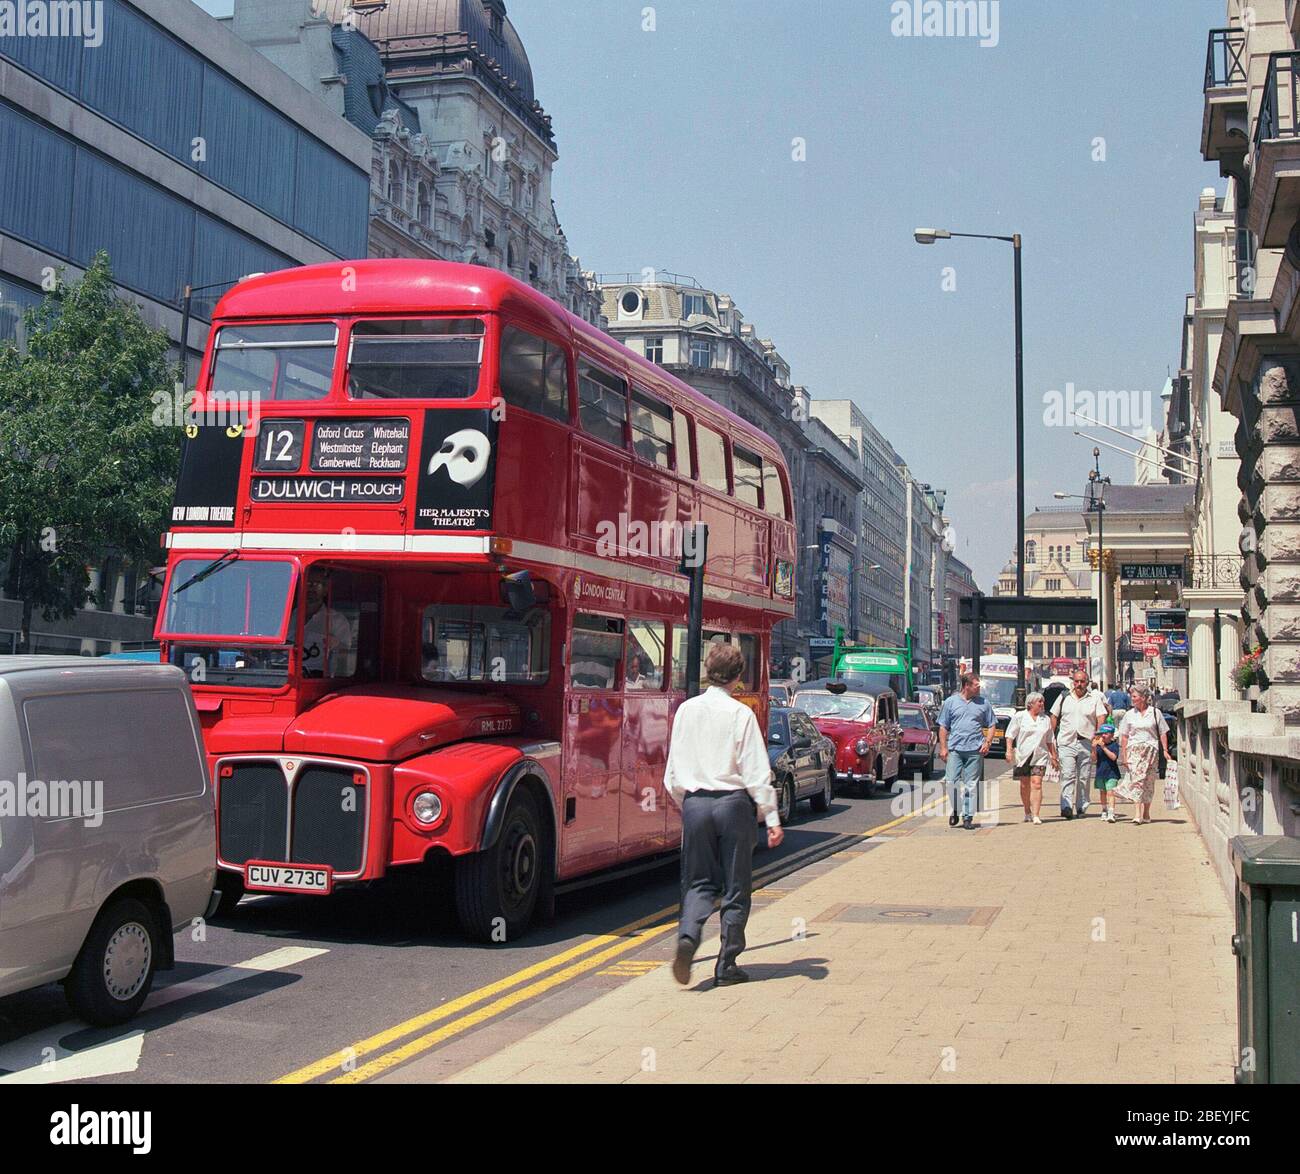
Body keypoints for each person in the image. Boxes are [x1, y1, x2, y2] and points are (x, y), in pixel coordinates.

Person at [665, 642, 783, 988]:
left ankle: (688, 935)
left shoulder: (686, 710)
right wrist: (771, 819)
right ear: (738, 678)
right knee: (736, 886)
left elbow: (673, 770)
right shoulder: (741, 714)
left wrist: (686, 805)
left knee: (698, 882)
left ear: (707, 670)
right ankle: (727, 963)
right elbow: (756, 771)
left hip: (696, 804)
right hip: (733, 805)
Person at [936, 672, 995, 830]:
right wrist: (943, 747)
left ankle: (967, 817)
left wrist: (987, 743)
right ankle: (956, 808)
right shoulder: (950, 702)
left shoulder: (984, 703)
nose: (978, 688)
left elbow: (991, 725)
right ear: (966, 686)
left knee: (971, 785)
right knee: (951, 782)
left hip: (975, 750)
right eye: (976, 685)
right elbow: (943, 726)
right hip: (955, 748)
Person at [1049, 668, 1110, 819]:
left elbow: (1101, 717)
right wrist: (1052, 737)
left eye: (1082, 681)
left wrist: (1098, 738)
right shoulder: (1064, 697)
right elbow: (1054, 716)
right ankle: (1066, 806)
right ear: (1073, 683)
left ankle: (1081, 807)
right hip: (1066, 742)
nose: (1079, 684)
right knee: (1068, 775)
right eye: (1076, 681)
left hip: (1086, 743)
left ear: (1087, 683)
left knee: (1083, 777)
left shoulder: (1094, 698)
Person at [1118, 684, 1173, 825]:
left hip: (1151, 750)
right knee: (1137, 780)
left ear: (1143, 698)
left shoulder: (1155, 713)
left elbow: (1163, 732)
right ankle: (1137, 813)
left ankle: (1146, 811)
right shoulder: (1129, 715)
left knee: (1148, 782)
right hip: (1134, 750)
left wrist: (1165, 750)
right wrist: (1124, 755)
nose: (1132, 699)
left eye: (1135, 696)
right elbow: (1124, 736)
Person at [1005, 691, 1058, 825]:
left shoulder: (1045, 719)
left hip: (1040, 755)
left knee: (1036, 783)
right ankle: (1027, 811)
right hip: (1023, 755)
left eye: (1042, 701)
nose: (1042, 704)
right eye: (1039, 702)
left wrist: (1054, 756)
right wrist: (1009, 750)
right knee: (1024, 784)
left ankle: (1036, 814)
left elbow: (1050, 739)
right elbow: (1010, 734)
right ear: (1031, 703)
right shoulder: (1020, 716)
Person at [302, 571, 354, 677]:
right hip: (285, 675)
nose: (310, 588)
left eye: (316, 584)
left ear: (325, 590)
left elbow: (346, 652)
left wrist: (335, 644)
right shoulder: (288, 616)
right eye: (307, 583)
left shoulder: (336, 619)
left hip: (318, 676)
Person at [1092, 722, 1122, 822]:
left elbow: (1113, 757)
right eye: (1102, 733)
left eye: (1106, 733)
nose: (1103, 735)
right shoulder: (1098, 745)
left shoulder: (1114, 745)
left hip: (1112, 773)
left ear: (1112, 735)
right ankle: (1104, 810)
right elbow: (1094, 759)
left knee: (1111, 792)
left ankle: (1111, 812)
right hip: (1100, 772)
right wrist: (1093, 748)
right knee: (1102, 792)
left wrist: (1104, 747)